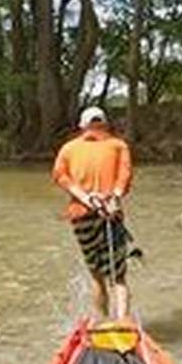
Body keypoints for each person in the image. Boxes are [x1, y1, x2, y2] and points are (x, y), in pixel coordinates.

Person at [52, 106, 134, 320]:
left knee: (96, 276)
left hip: (80, 215)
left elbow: (60, 176)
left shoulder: (68, 149)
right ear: (105, 124)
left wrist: (85, 197)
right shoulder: (119, 145)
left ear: (82, 126)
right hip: (111, 214)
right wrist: (113, 197)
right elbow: (124, 176)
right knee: (118, 278)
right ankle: (122, 325)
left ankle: (103, 324)